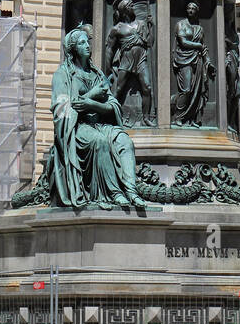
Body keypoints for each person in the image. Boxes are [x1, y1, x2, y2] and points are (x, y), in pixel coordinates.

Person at [16, 28, 145, 212]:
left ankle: (131, 191)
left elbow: (112, 105)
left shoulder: (97, 74)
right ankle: (113, 193)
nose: (88, 46)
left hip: (100, 124)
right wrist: (91, 96)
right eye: (82, 43)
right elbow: (62, 110)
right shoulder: (62, 75)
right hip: (77, 128)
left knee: (125, 141)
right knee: (99, 142)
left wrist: (91, 105)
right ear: (73, 49)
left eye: (87, 42)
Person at [170, 2, 215, 126]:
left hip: (198, 60)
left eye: (193, 8)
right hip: (183, 60)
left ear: (197, 11)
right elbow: (183, 42)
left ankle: (191, 118)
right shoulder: (180, 24)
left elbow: (204, 47)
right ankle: (178, 116)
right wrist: (198, 46)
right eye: (188, 8)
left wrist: (208, 62)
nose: (190, 10)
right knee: (187, 89)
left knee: (197, 90)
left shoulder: (200, 29)